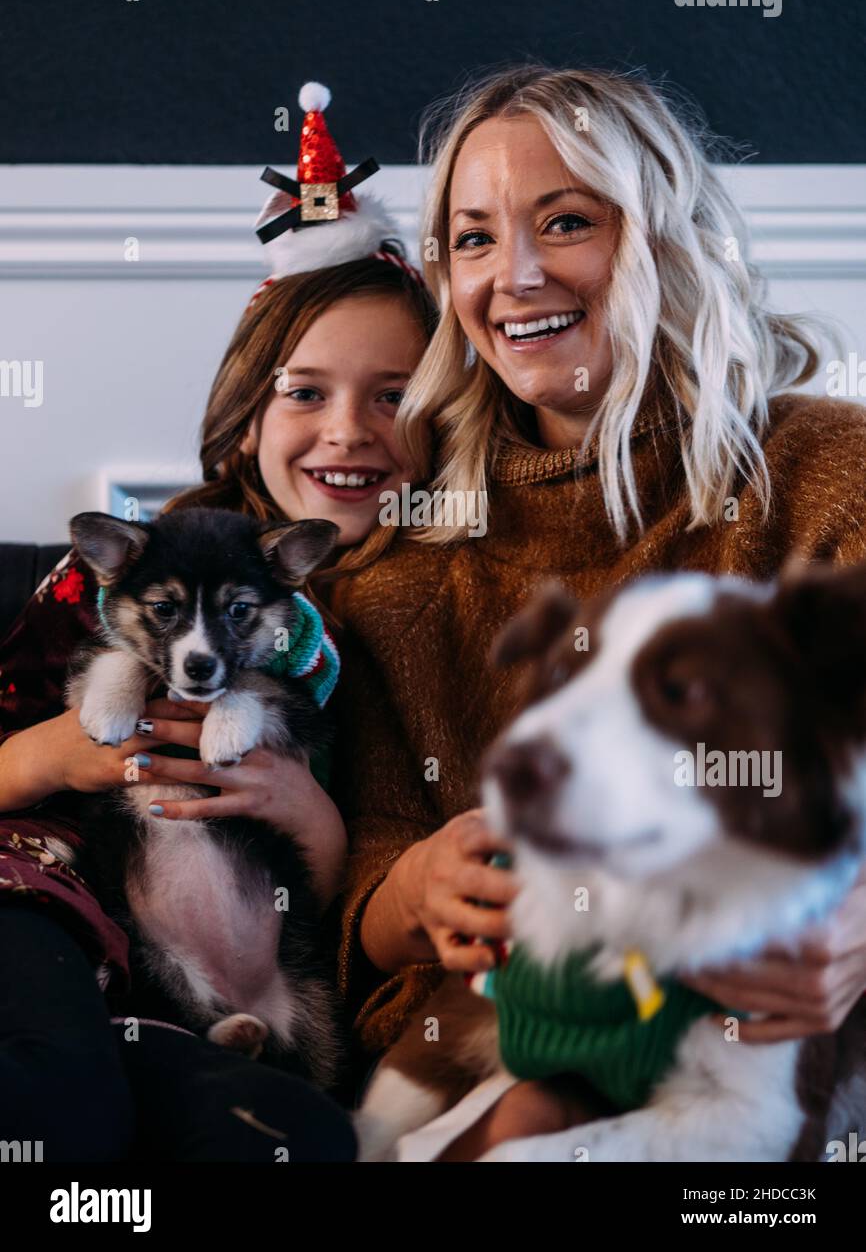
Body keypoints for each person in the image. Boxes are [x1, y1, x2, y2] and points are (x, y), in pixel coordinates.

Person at [332, 64, 866, 1159]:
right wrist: (411, 888)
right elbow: (358, 881)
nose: (513, 275)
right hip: (527, 1034)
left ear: (666, 241)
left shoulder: (828, 475)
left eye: (565, 221)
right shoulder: (403, 570)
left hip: (774, 1052)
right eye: (471, 239)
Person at [0, 83, 436, 1162]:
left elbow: (379, 894)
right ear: (246, 410)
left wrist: (310, 820)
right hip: (45, 905)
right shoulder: (111, 579)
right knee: (55, 1108)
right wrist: (65, 751)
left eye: (393, 394)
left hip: (241, 975)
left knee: (283, 1137)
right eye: (304, 392)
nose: (349, 430)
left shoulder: (421, 618)